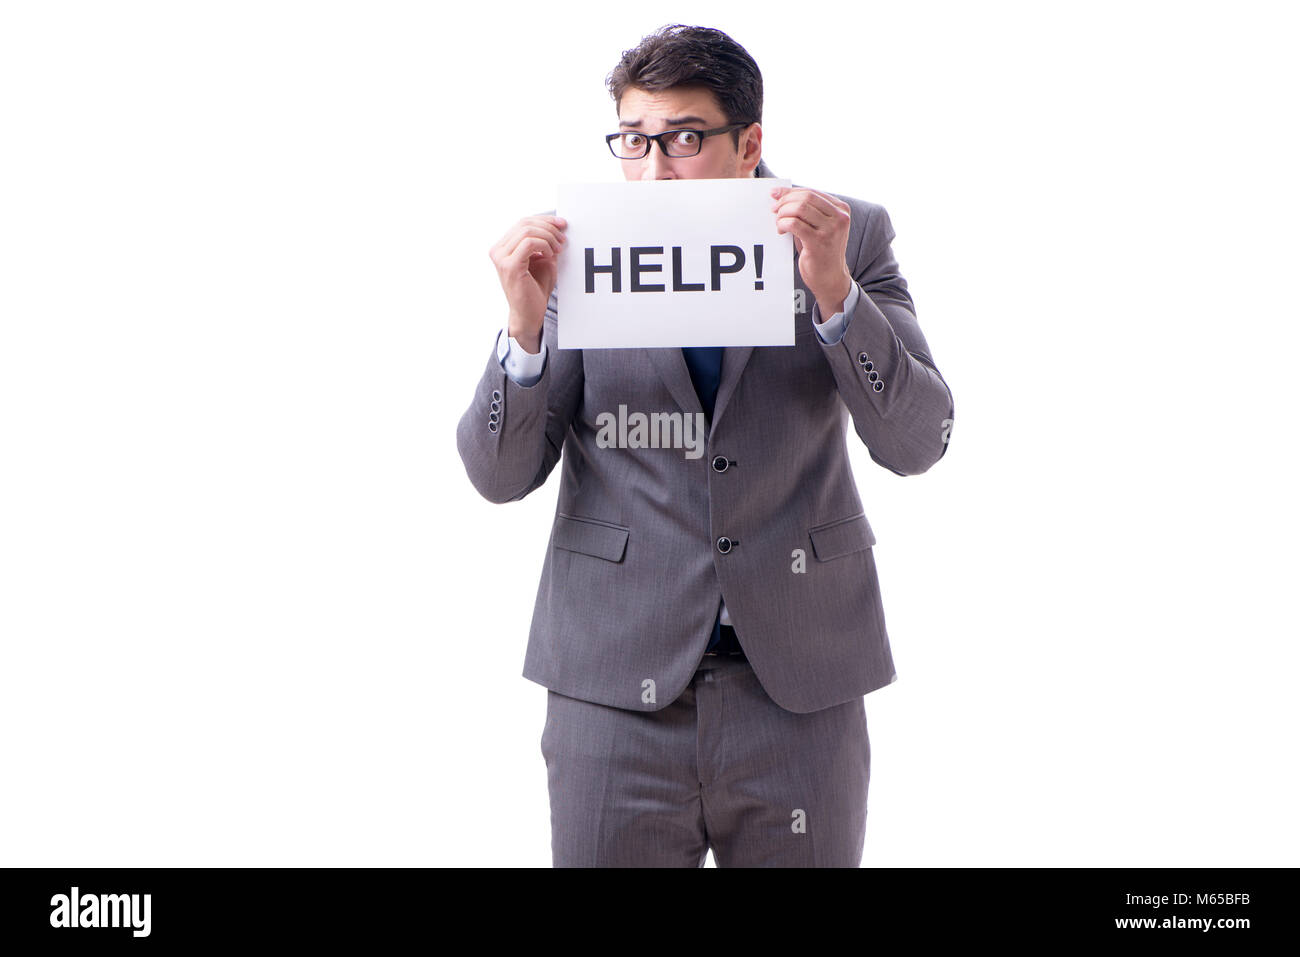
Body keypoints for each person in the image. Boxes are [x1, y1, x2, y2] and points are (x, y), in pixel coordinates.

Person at [457, 23, 954, 867]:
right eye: (633, 142)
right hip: (613, 688)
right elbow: (500, 476)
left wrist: (831, 289)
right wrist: (524, 329)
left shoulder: (849, 234)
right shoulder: (583, 248)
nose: (653, 172)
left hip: (798, 683)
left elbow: (917, 441)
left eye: (684, 140)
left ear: (749, 141)